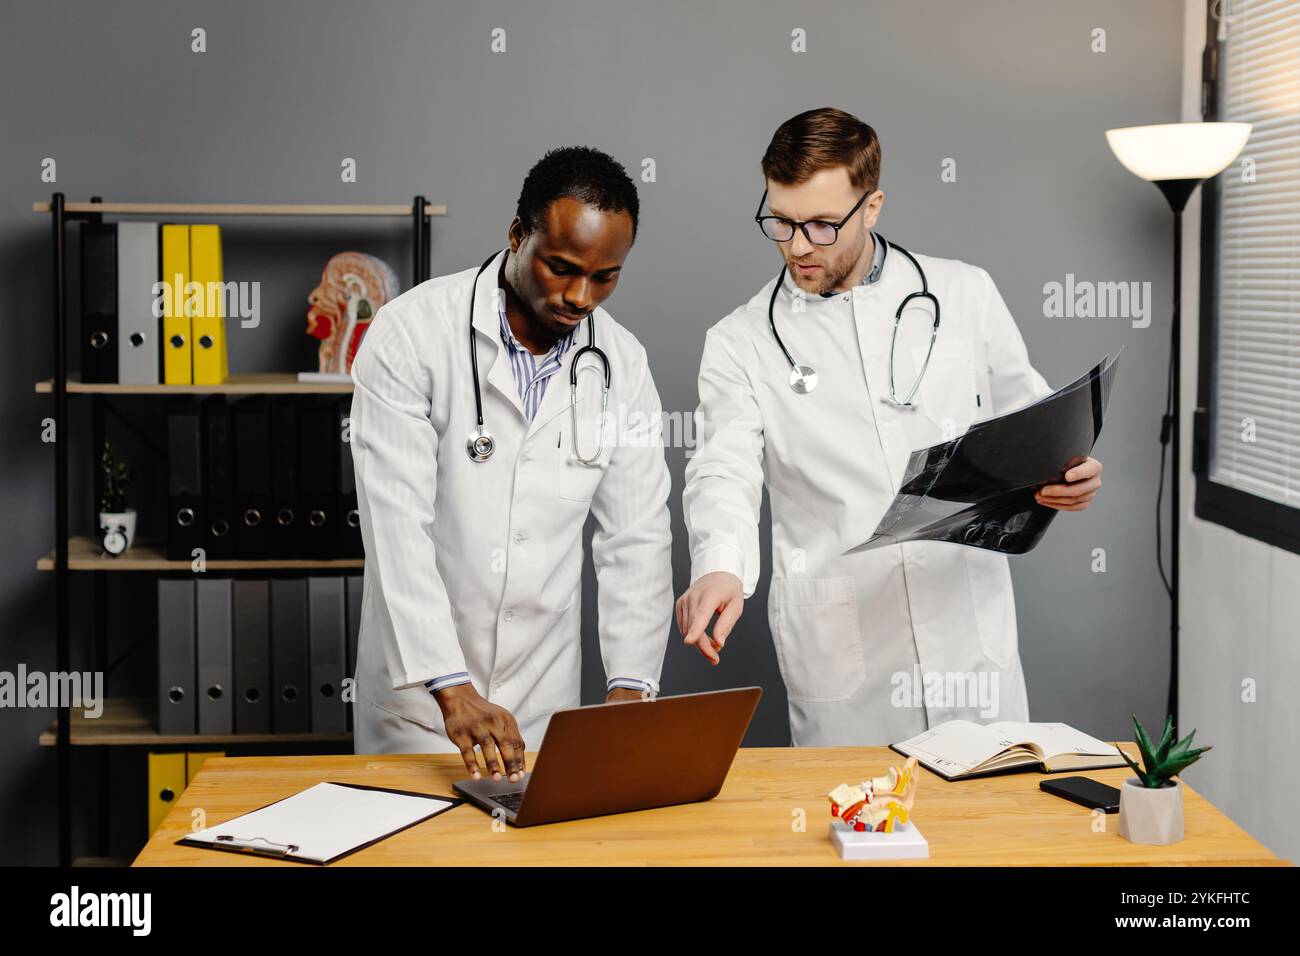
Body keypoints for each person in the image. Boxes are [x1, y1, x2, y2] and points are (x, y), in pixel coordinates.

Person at [677, 108, 1104, 745]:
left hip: (966, 636)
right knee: (860, 832)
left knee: (988, 831)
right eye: (780, 221)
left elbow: (1036, 420)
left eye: (822, 225)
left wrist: (1074, 469)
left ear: (871, 207)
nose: (797, 245)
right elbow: (724, 467)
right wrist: (720, 565)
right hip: (844, 651)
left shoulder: (964, 294)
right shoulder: (740, 341)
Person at [350, 147, 673, 781]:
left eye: (605, 276)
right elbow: (396, 531)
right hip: (421, 706)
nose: (581, 296)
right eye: (561, 267)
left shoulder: (622, 363)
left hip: (544, 705)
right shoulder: (411, 334)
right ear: (516, 236)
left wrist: (629, 690)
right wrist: (452, 688)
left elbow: (636, 539)